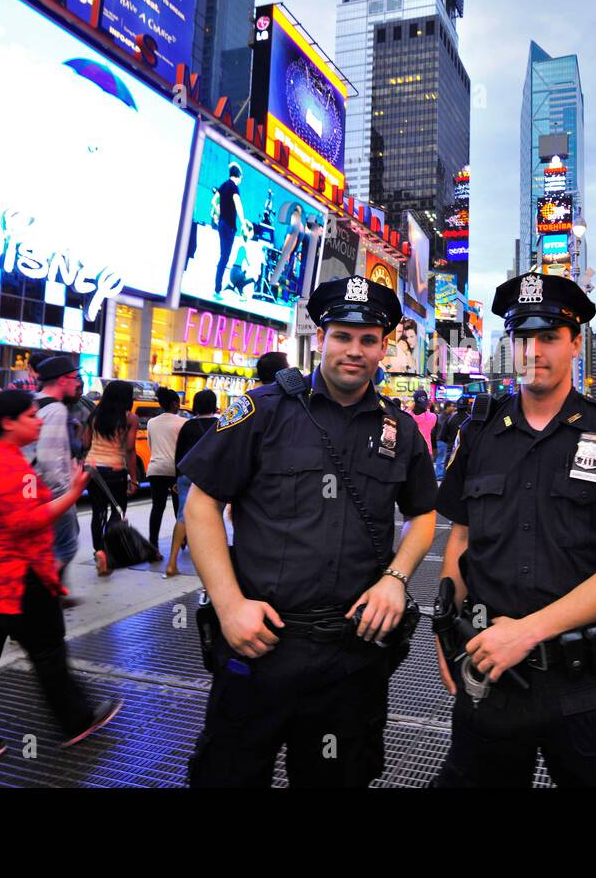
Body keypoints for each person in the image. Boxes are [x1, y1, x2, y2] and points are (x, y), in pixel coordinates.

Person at [180, 276, 437, 788]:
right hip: (260, 642)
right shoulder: (260, 410)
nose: (354, 350)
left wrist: (396, 578)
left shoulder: (399, 428)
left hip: (352, 654)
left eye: (368, 339)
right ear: (320, 338)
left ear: (384, 348)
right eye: (342, 335)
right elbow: (202, 503)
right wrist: (229, 606)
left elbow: (423, 514)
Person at [433, 272, 596, 788]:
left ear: (574, 344)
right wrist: (446, 631)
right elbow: (460, 541)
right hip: (489, 674)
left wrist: (525, 633)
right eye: (523, 337)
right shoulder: (479, 434)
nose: (534, 351)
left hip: (585, 685)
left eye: (548, 337)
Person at [0, 391, 121, 777]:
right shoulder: (7, 463)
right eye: (30, 416)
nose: (38, 421)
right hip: (16, 577)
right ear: (7, 423)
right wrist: (72, 493)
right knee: (48, 651)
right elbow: (25, 521)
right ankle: (78, 720)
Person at [22, 357, 86, 588]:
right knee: (67, 544)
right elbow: (50, 458)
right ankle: (38, 589)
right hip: (49, 491)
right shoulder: (57, 410)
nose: (77, 383)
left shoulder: (31, 402)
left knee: (42, 544)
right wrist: (65, 495)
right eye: (74, 378)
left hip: (27, 485)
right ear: (62, 380)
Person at [82, 381, 140, 576]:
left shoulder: (94, 416)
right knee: (117, 512)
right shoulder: (129, 418)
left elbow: (86, 442)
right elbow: (130, 449)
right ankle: (107, 552)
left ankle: (98, 551)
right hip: (115, 470)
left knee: (97, 512)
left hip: (92, 469)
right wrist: (134, 478)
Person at [165, 390, 218, 579]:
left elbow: (179, 454)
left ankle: (171, 563)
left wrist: (176, 478)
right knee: (214, 516)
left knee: (182, 517)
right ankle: (212, 565)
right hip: (211, 475)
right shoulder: (219, 425)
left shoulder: (188, 425)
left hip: (187, 475)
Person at [143, 387, 186, 551]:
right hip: (175, 470)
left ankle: (153, 543)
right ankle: (182, 541)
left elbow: (151, 445)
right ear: (174, 404)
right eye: (179, 403)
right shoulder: (183, 422)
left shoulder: (151, 423)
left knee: (157, 507)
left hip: (156, 469)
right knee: (179, 508)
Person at [211, 162, 253, 297]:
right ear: (238, 176)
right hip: (228, 226)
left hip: (221, 224)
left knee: (223, 257)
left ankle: (217, 286)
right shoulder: (233, 187)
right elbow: (237, 203)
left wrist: (217, 213)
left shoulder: (223, 185)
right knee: (224, 257)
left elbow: (214, 201)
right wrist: (243, 221)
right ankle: (217, 288)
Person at [410, 390, 436, 456]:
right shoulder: (433, 417)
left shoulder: (409, 417)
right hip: (427, 451)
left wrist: (410, 408)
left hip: (412, 451)